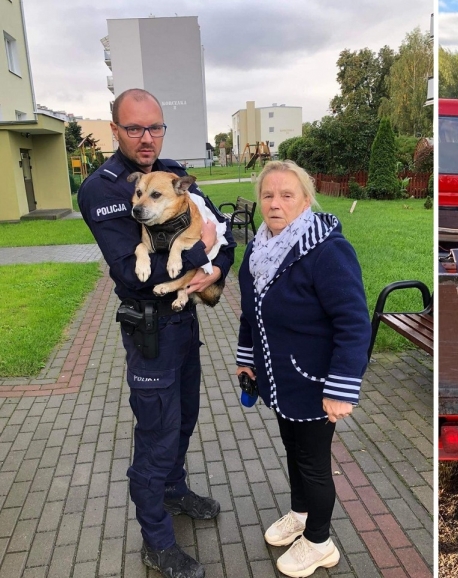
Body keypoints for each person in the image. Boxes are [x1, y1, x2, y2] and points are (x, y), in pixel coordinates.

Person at [78, 88, 235, 578]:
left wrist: (216, 269)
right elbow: (133, 275)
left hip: (185, 320)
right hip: (151, 331)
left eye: (155, 127)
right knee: (156, 435)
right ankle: (157, 541)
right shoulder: (104, 189)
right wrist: (198, 254)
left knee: (185, 417)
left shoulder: (171, 172)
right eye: (134, 128)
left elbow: (220, 229)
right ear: (116, 130)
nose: (146, 138)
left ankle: (175, 489)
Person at [235, 161, 370, 577]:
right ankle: (300, 513)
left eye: (286, 195)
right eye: (268, 196)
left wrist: (341, 389)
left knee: (313, 462)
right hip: (279, 380)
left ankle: (319, 541)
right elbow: (249, 314)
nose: (275, 204)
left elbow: (354, 321)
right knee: (293, 451)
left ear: (306, 200)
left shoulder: (326, 250)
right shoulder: (258, 250)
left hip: (315, 383)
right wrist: (247, 360)